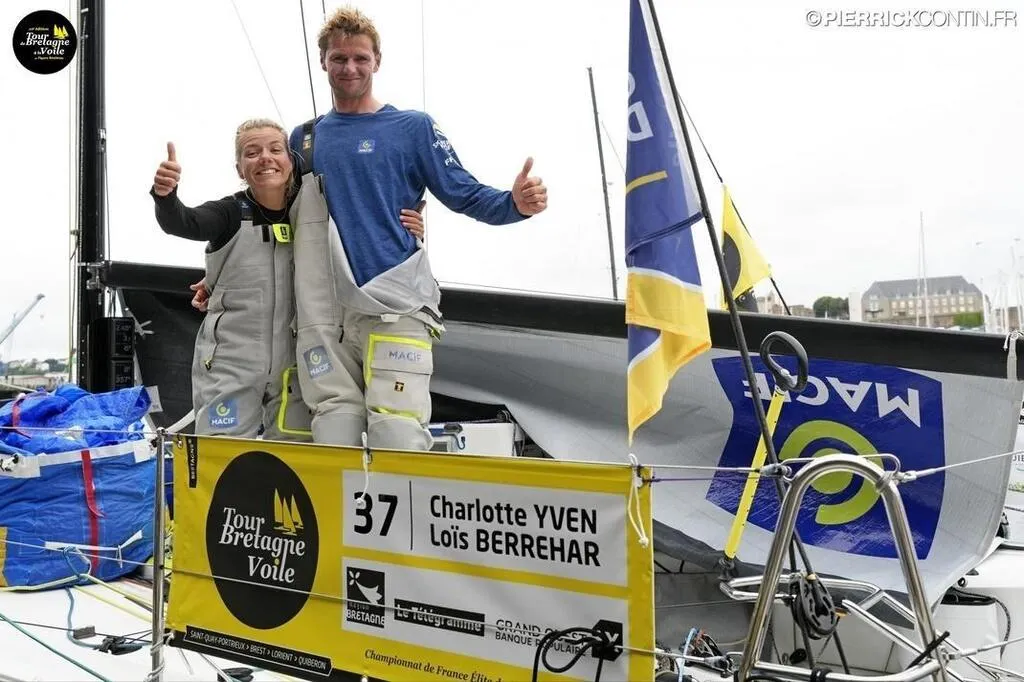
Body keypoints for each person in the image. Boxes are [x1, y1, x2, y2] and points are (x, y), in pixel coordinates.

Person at [288, 7, 548, 451]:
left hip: (395, 303)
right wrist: (220, 278)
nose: (349, 68)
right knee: (332, 433)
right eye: (339, 58)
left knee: (398, 433)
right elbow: (276, 218)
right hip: (325, 314)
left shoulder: (412, 128)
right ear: (323, 62)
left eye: (360, 58)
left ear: (377, 61)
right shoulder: (304, 139)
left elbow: (463, 193)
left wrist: (514, 205)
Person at [150, 118, 427, 440]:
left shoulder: (314, 216)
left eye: (275, 149)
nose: (265, 157)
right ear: (240, 169)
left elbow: (366, 233)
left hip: (297, 363)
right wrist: (165, 196)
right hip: (232, 362)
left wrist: (413, 227)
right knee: (221, 454)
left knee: (292, 458)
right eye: (251, 153)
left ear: (290, 160)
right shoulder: (229, 213)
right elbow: (185, 223)